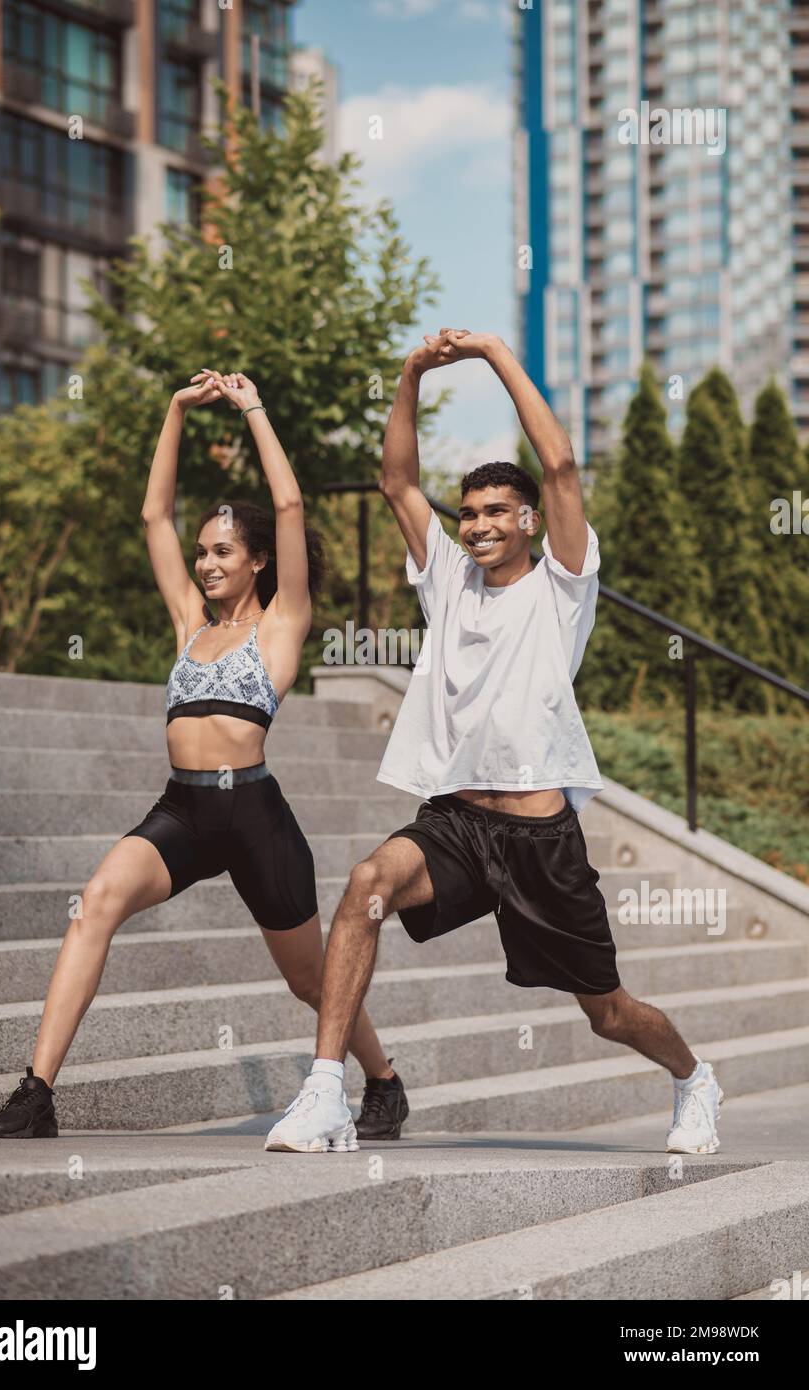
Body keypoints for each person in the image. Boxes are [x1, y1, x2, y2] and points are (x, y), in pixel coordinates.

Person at [265, 329, 724, 1156]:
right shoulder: (447, 578)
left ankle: (694, 1080)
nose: (474, 525)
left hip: (541, 837)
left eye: (491, 513)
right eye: (467, 513)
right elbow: (396, 481)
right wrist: (408, 371)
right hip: (454, 825)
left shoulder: (562, 585)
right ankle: (325, 1090)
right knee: (367, 883)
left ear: (526, 522)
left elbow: (560, 468)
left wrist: (492, 355)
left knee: (607, 1012)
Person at [0, 368, 408, 1144]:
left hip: (253, 813)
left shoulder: (282, 624)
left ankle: (382, 1080)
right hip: (181, 808)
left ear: (256, 563)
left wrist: (253, 408)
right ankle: (37, 1090)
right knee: (95, 904)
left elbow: (288, 504)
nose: (207, 563)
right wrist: (175, 410)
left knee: (308, 977)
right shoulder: (189, 622)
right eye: (203, 552)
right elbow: (153, 513)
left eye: (223, 552)